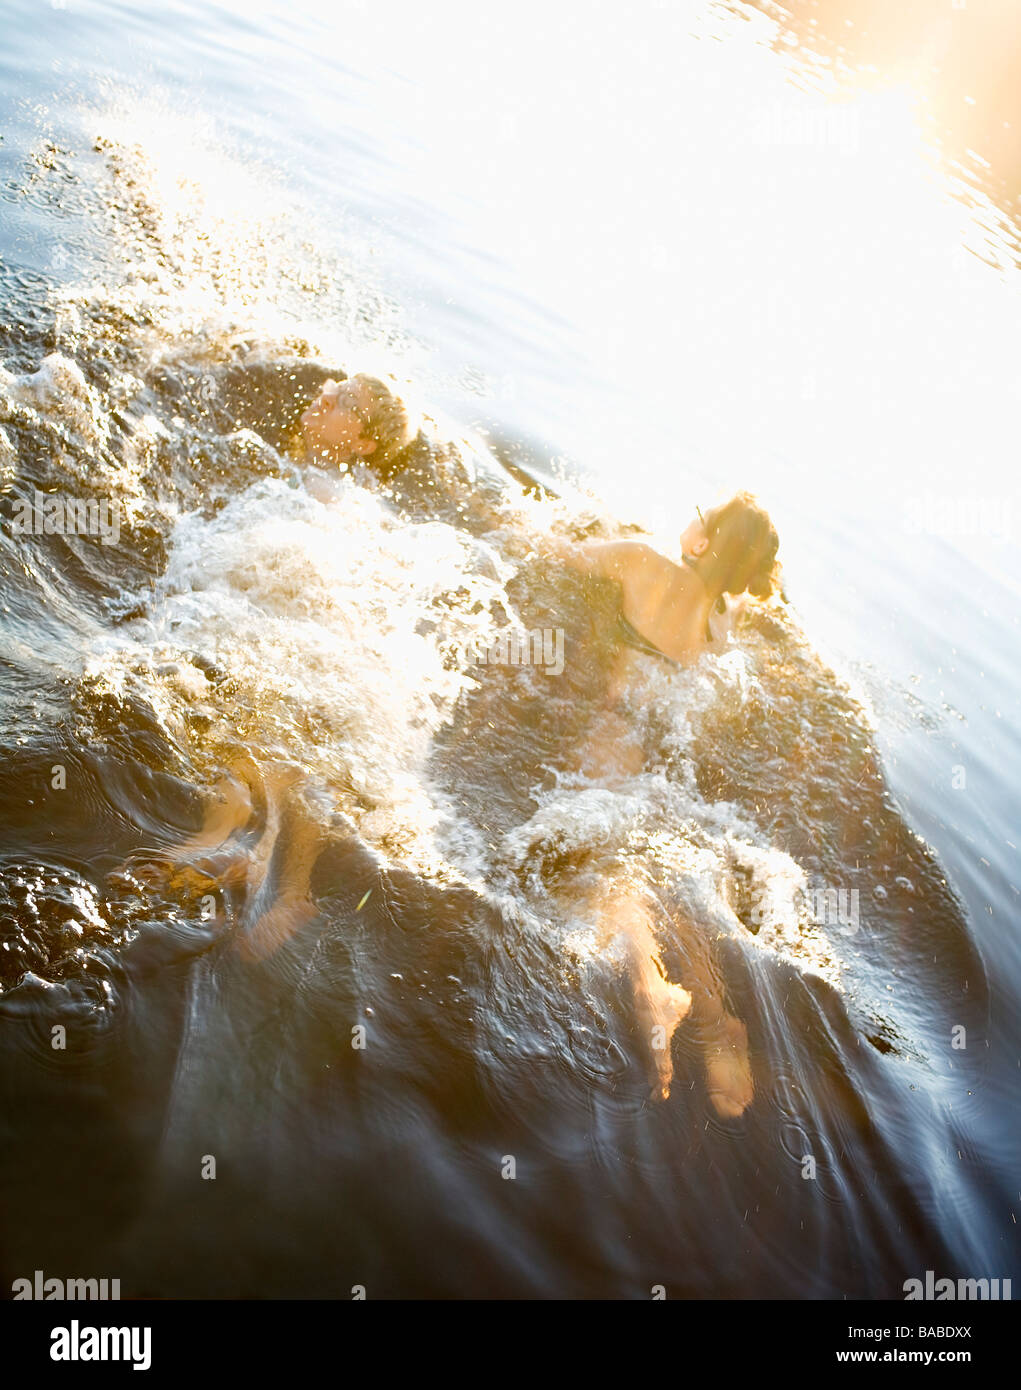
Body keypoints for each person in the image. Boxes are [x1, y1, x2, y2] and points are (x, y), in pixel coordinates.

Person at [548, 493, 782, 1115]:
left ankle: (651, 986)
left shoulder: (643, 560)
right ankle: (714, 1009)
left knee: (607, 869)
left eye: (701, 515)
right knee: (656, 870)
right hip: (668, 754)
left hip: (617, 732)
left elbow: (558, 554)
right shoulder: (720, 621)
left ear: (701, 538)